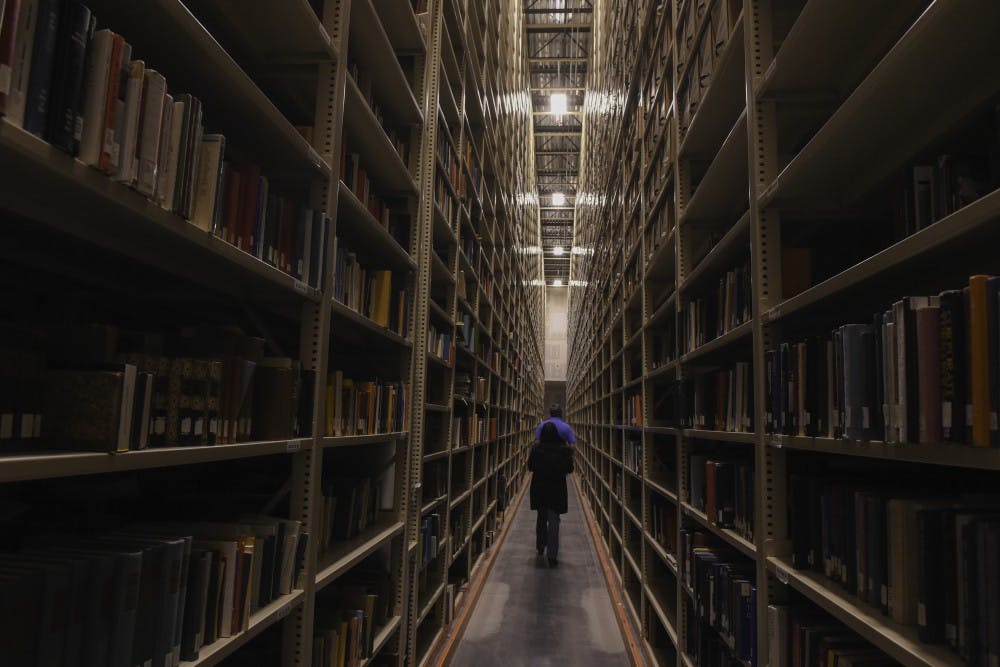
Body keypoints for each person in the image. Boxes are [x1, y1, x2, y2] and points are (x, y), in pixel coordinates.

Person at [527, 421, 574, 567]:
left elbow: (530, 467)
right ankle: (552, 556)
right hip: (556, 489)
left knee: (541, 518)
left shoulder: (536, 449)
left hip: (540, 488)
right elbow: (570, 469)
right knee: (554, 521)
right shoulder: (563, 450)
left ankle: (541, 546)